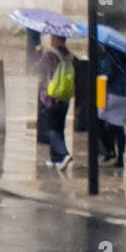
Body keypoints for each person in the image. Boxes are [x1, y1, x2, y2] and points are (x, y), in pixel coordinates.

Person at [36, 34, 73, 172]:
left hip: (51, 96)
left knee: (50, 129)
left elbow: (38, 69)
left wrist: (39, 53)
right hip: (65, 97)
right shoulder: (69, 55)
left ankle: (63, 154)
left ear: (56, 39)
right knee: (59, 127)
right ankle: (55, 159)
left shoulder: (49, 55)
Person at [97, 47, 126, 171]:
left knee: (100, 124)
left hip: (111, 94)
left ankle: (109, 152)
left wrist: (97, 74)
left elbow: (107, 75)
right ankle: (120, 157)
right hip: (123, 96)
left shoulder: (108, 56)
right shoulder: (125, 58)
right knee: (118, 127)